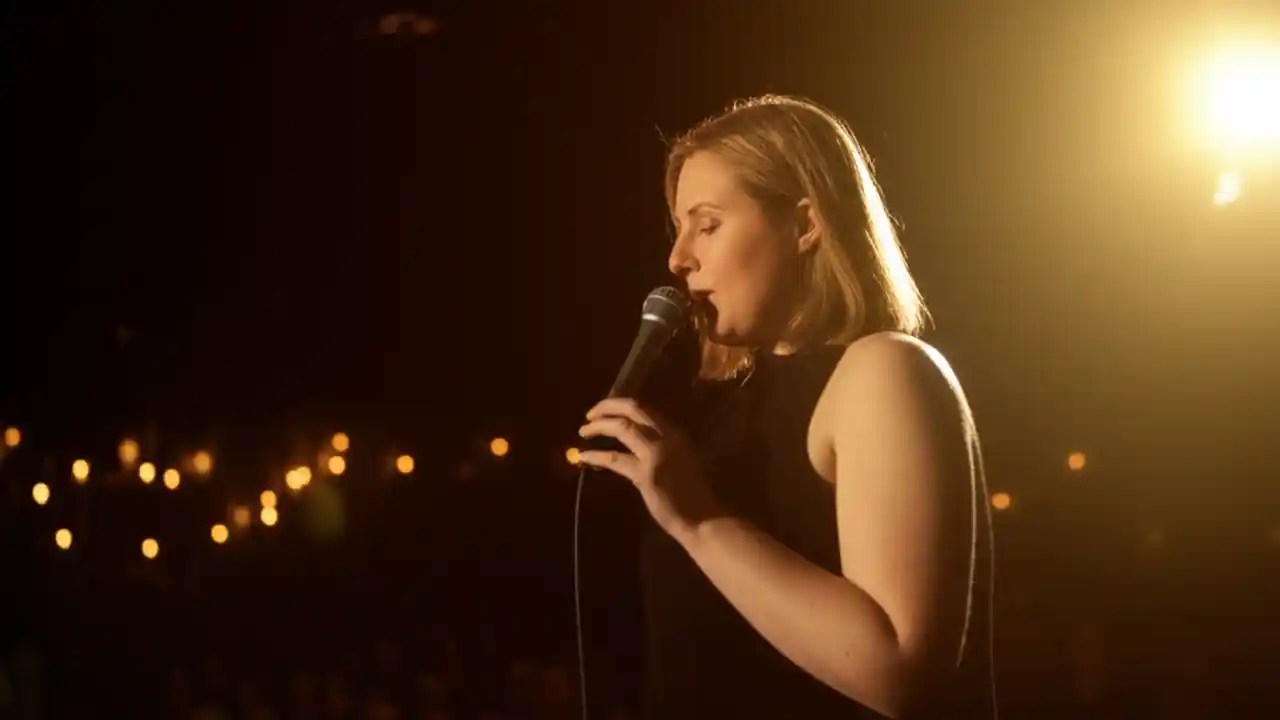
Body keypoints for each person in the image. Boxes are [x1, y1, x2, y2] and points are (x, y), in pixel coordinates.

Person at [578, 95, 995, 719]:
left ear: (804, 224)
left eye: (708, 223)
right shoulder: (718, 413)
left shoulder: (882, 370)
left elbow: (899, 674)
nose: (678, 257)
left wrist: (700, 522)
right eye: (678, 227)